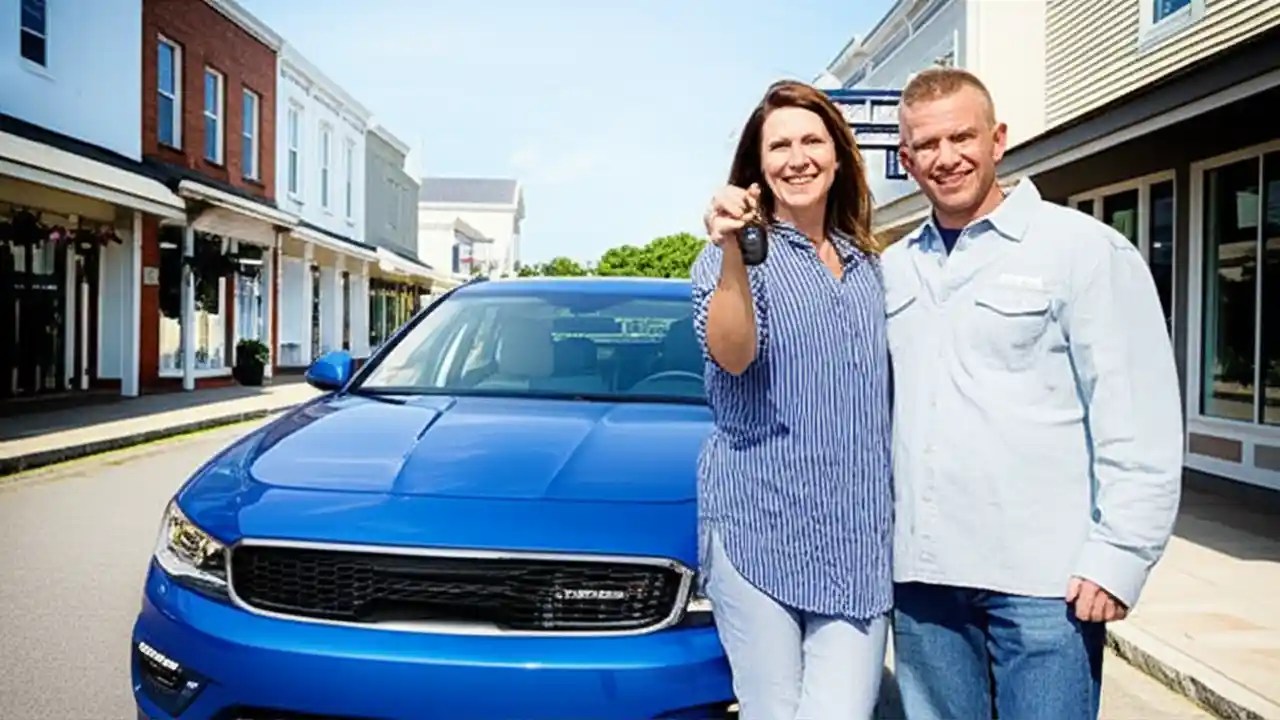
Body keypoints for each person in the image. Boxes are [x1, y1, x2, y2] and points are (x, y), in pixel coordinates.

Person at [883, 66, 1184, 720]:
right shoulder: (894, 268)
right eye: (926, 146)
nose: (946, 158)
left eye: (962, 137)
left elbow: (1138, 414)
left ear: (999, 140)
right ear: (906, 160)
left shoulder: (1081, 250)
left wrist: (1122, 556)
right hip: (923, 579)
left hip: (1044, 584)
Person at [693, 80, 893, 719]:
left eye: (813, 140)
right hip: (758, 527)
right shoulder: (727, 259)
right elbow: (733, 353)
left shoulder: (872, 266)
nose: (797, 157)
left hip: (858, 540)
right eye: (779, 145)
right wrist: (732, 253)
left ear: (839, 157)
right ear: (759, 165)